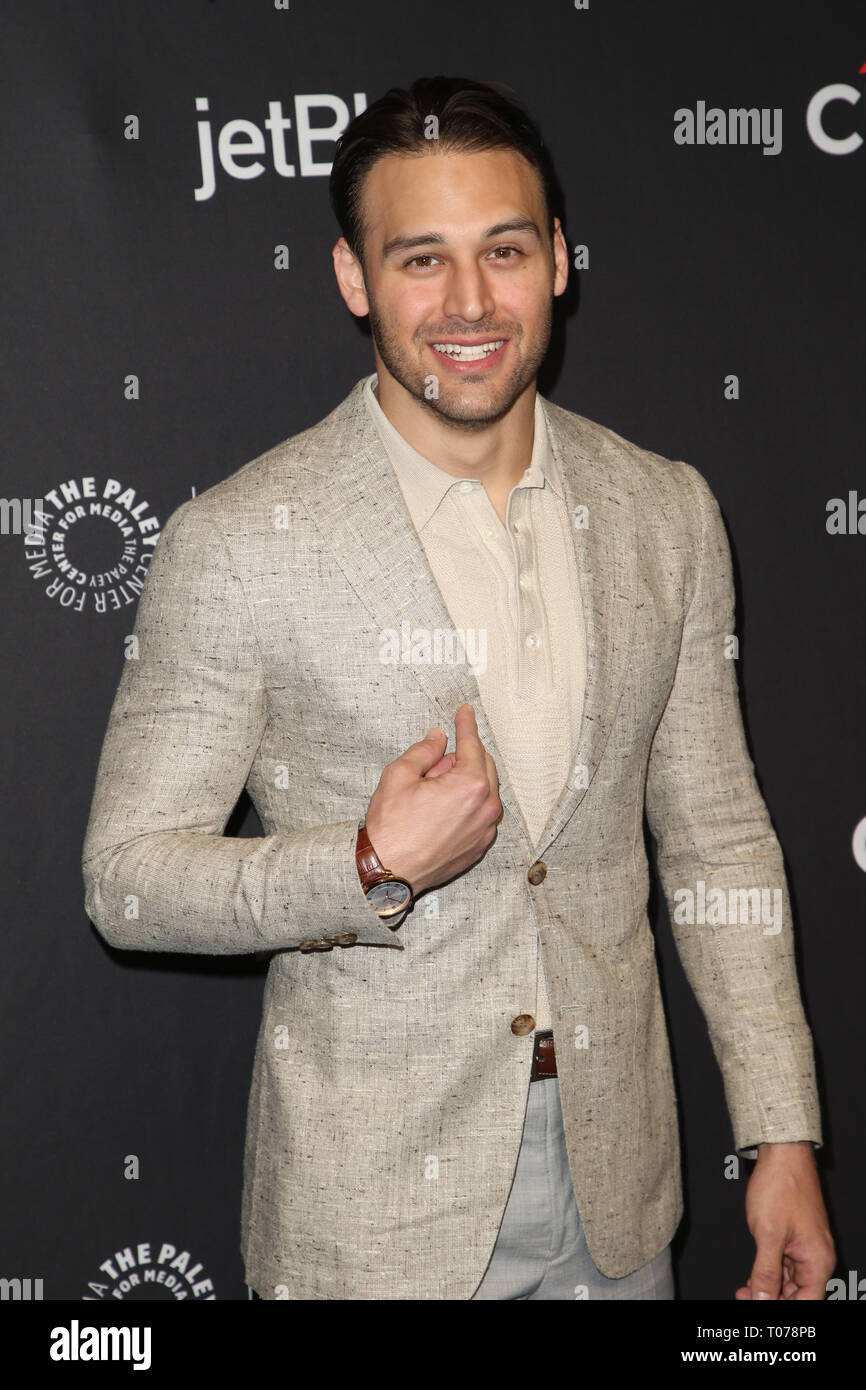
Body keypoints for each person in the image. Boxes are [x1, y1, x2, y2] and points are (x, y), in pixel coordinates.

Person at [82, 74, 835, 1301]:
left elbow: (716, 844)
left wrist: (780, 1131)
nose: (470, 302)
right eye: (419, 259)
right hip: (367, 1217)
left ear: (556, 260)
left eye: (501, 249)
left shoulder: (664, 512)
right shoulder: (241, 537)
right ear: (352, 278)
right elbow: (126, 878)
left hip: (620, 1189)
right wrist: (368, 864)